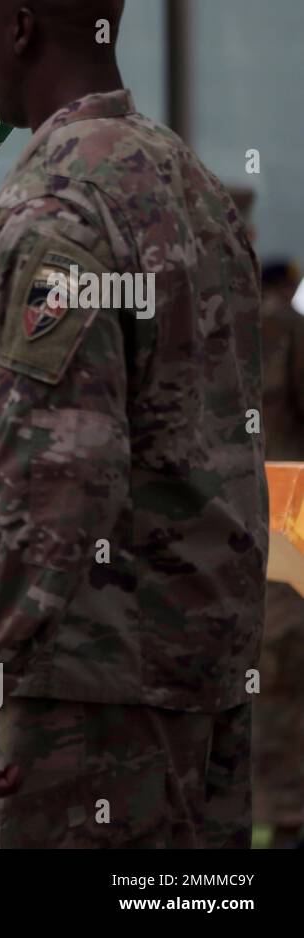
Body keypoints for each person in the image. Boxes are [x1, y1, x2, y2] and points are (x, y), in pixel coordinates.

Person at [0, 0, 266, 847]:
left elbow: (62, 474)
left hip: (92, 687)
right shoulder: (183, 176)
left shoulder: (54, 206)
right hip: (202, 663)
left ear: (19, 27)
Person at [254, 261, 304, 848]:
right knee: (285, 661)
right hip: (288, 514)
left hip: (226, 517)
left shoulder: (208, 322)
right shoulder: (288, 331)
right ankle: (288, 813)